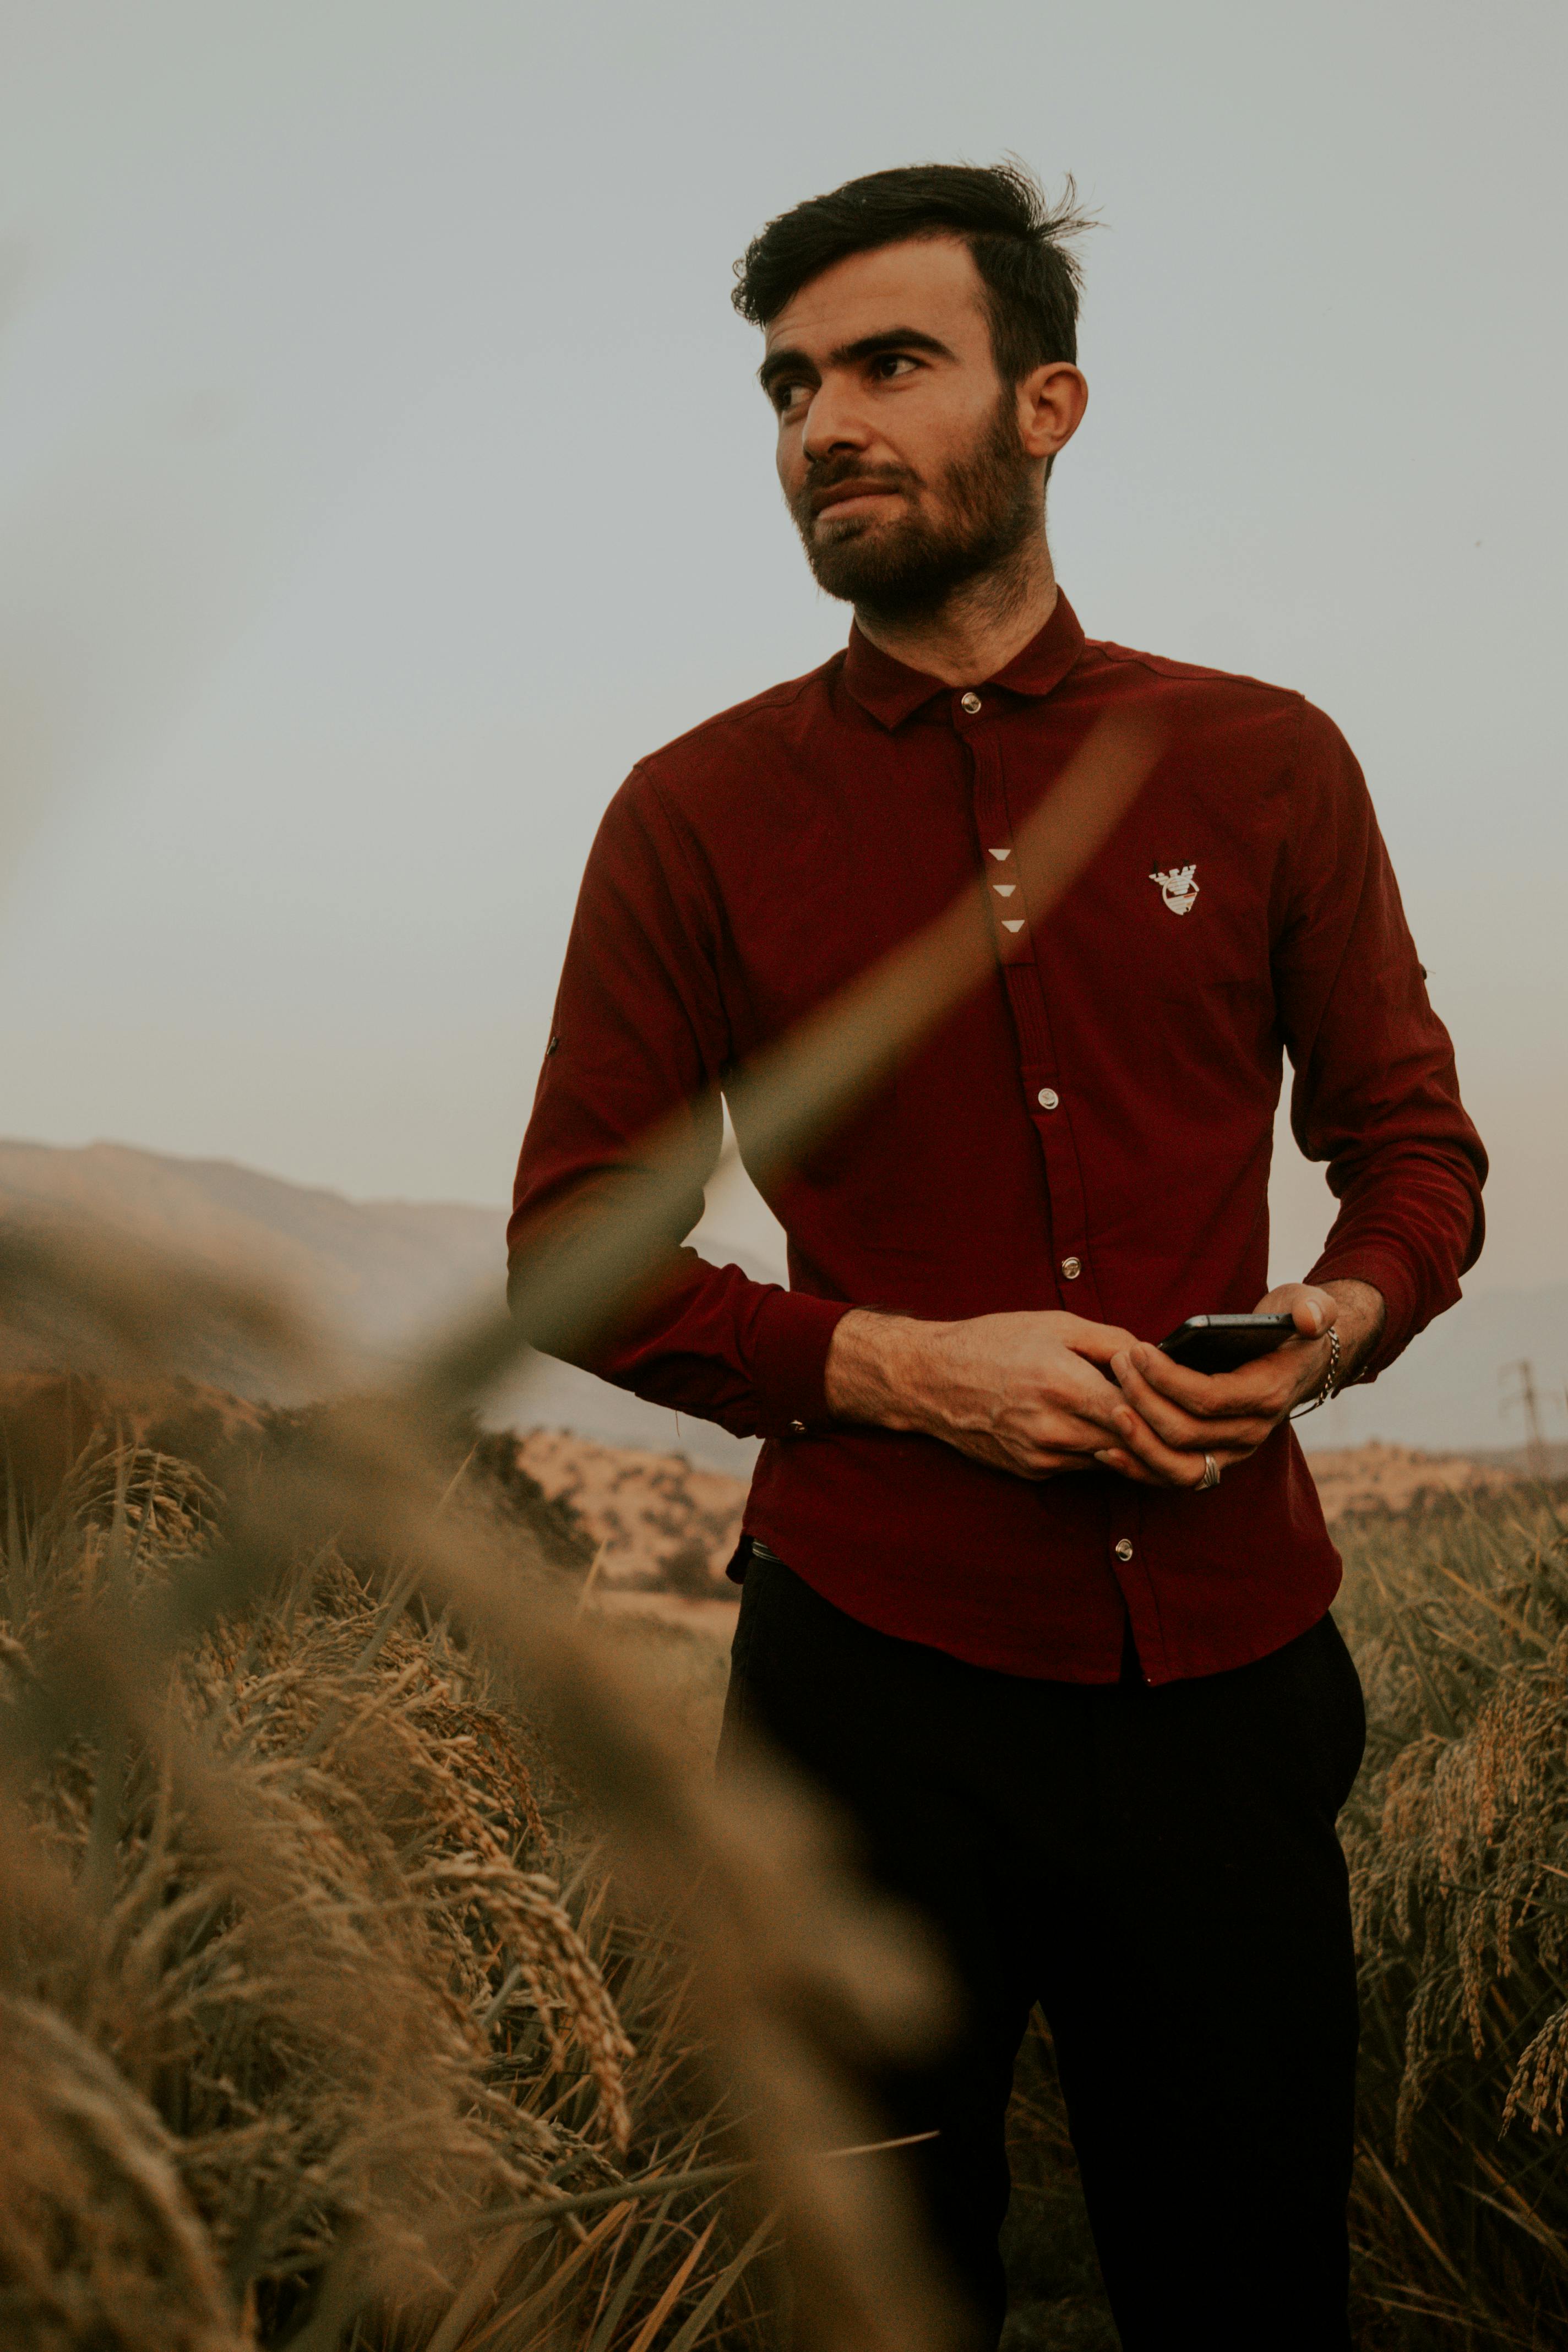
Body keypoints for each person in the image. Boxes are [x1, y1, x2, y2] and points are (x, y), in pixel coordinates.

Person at [509, 162, 1485, 2349]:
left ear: (1045, 403)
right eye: (786, 384)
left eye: (887, 364)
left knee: (1248, 2295)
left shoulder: (1259, 760)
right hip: (865, 1693)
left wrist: (1324, 1328)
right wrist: (896, 1369)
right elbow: (571, 1247)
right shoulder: (694, 812)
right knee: (876, 2305)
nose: (820, 422)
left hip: (1227, 1680)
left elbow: (1409, 1153)